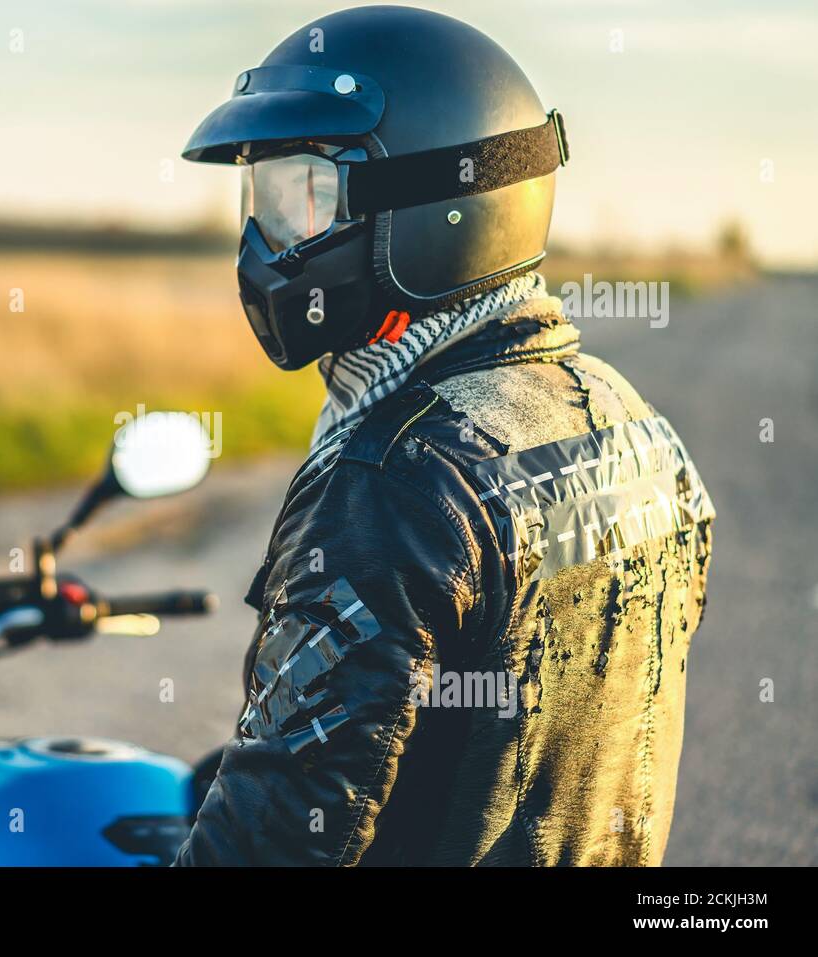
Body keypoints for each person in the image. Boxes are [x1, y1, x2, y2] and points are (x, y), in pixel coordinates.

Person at [174, 5, 714, 866]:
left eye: (305, 195)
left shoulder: (396, 479)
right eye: (264, 198)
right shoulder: (635, 427)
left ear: (438, 208)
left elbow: (269, 842)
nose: (265, 242)